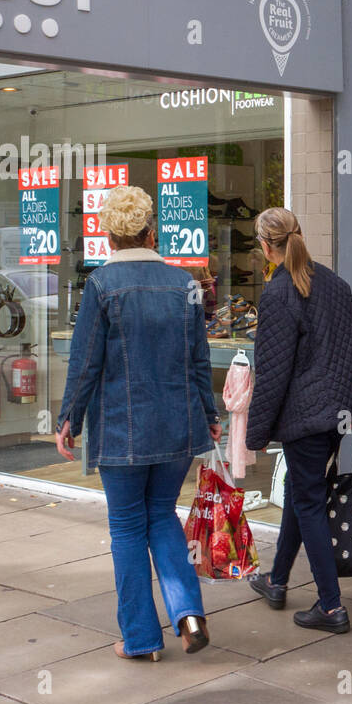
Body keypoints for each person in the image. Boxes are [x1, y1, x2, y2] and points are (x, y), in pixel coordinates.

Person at [54, 185, 220, 662]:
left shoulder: (102, 286)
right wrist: (209, 416)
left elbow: (85, 363)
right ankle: (189, 617)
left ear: (109, 239)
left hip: (123, 432)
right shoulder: (184, 283)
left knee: (127, 529)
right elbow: (197, 361)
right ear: (152, 232)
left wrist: (70, 419)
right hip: (177, 427)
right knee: (163, 516)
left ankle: (142, 639)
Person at [246, 208, 352, 634]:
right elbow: (348, 352)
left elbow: (272, 373)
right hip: (335, 414)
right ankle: (277, 580)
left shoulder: (278, 293)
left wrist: (257, 432)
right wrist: (351, 411)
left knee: (307, 501)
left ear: (267, 247)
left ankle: (331, 605)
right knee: (300, 491)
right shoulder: (334, 284)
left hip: (307, 417)